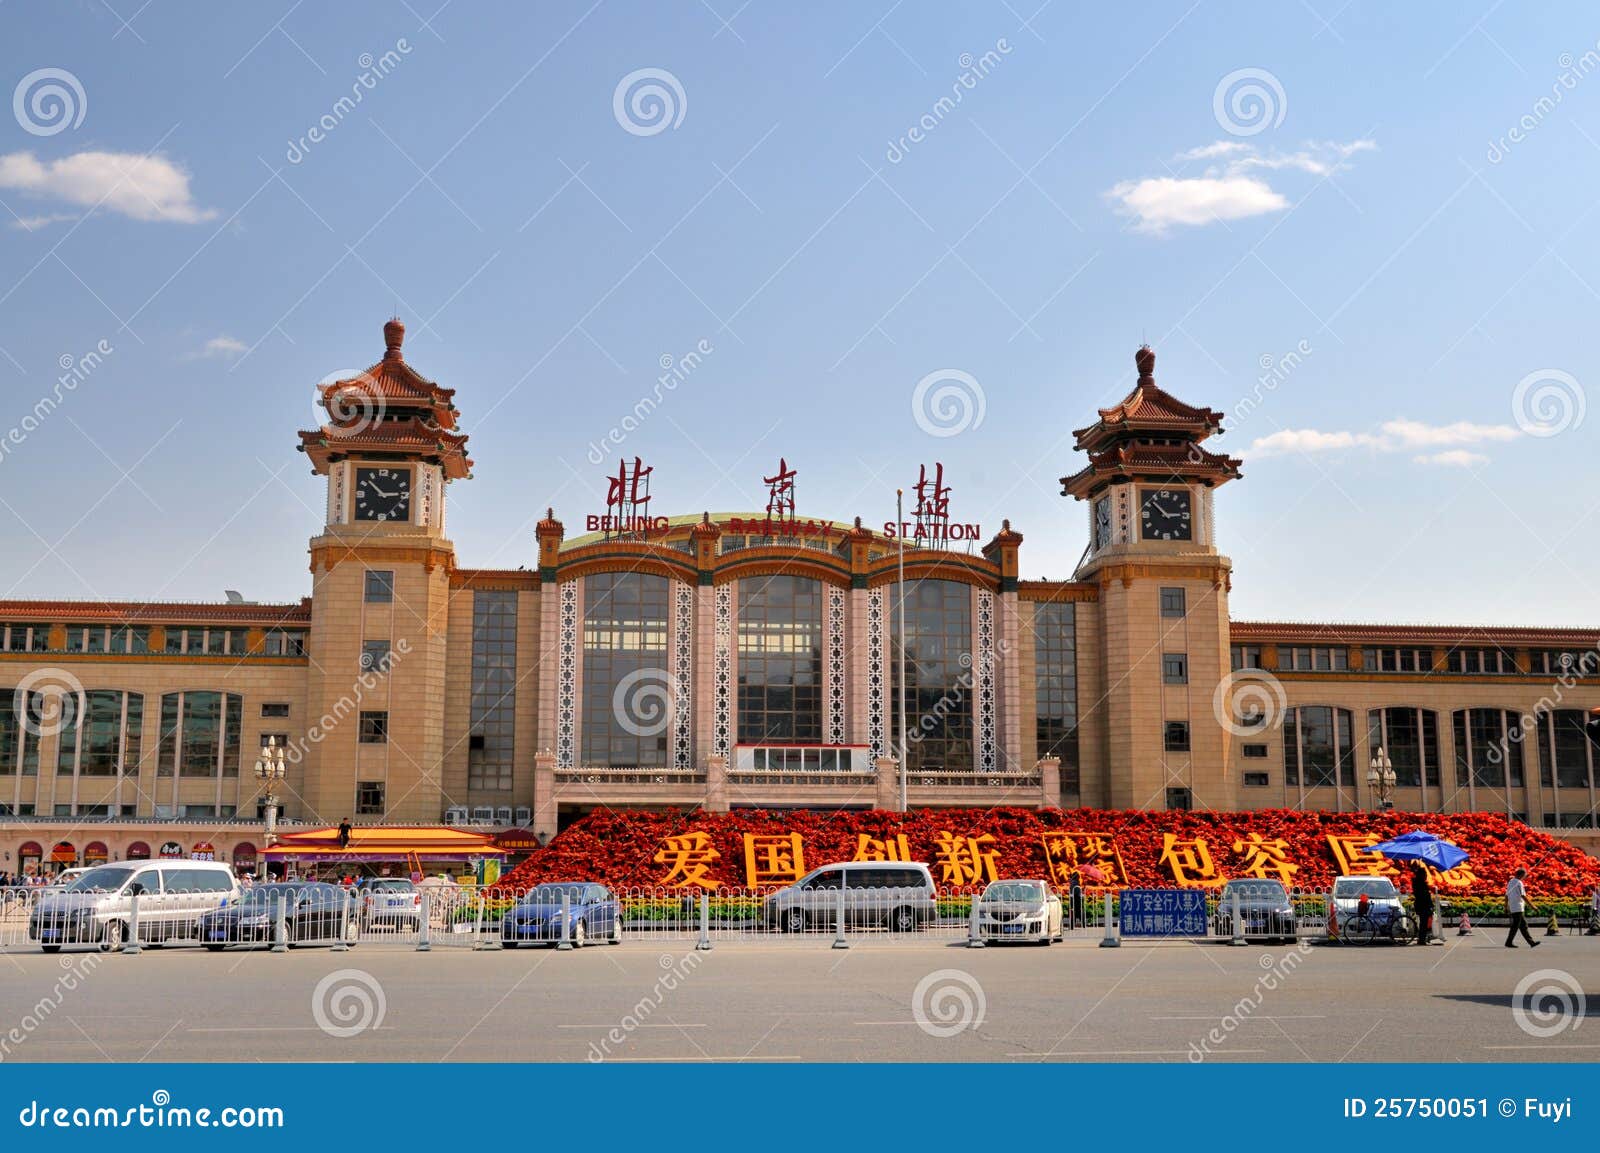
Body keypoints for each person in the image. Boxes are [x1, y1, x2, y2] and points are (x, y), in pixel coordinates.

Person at [1505, 867, 1539, 948]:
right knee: (1516, 926)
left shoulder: (1511, 881)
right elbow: (1523, 895)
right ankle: (1509, 942)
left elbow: (1506, 895)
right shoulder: (1519, 882)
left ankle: (1531, 942)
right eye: (1524, 875)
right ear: (1521, 875)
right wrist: (1533, 906)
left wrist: (1506, 907)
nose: (1525, 877)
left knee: (1522, 925)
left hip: (1513, 907)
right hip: (1518, 907)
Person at [1409, 861, 1434, 945]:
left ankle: (1422, 939)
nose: (1426, 875)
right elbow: (1424, 896)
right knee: (1424, 923)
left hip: (1420, 905)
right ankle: (1422, 940)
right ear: (1421, 875)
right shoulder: (1420, 884)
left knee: (1423, 923)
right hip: (1423, 905)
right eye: (1425, 874)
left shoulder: (1417, 882)